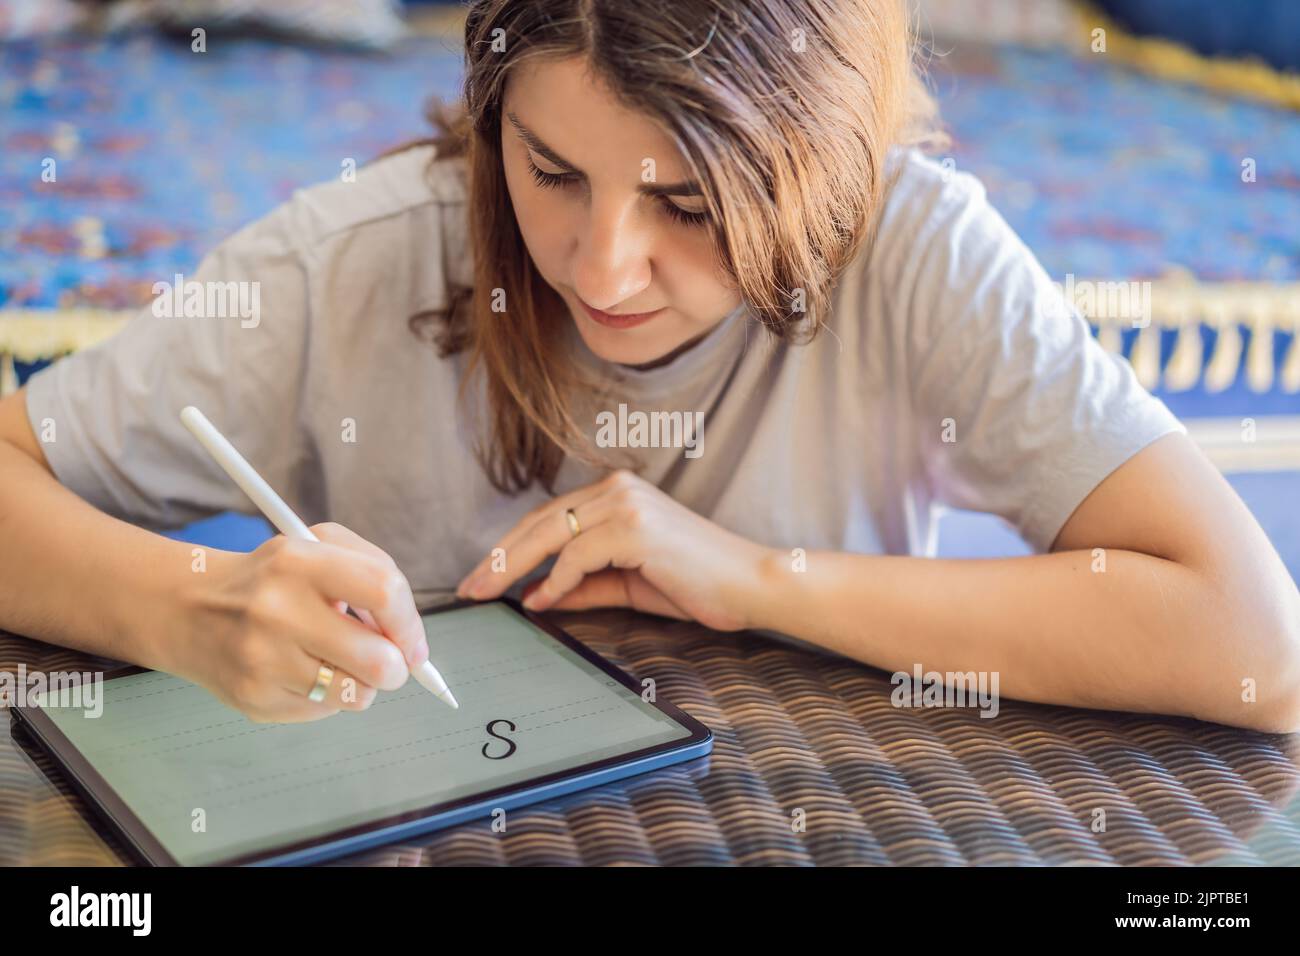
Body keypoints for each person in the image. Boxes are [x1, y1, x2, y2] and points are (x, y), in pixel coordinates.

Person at [1, 0, 1296, 729]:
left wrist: (753, 579)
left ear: (821, 173)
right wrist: (184, 604)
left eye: (689, 204)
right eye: (551, 172)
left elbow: (1257, 648)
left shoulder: (915, 250)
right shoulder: (357, 261)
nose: (602, 269)